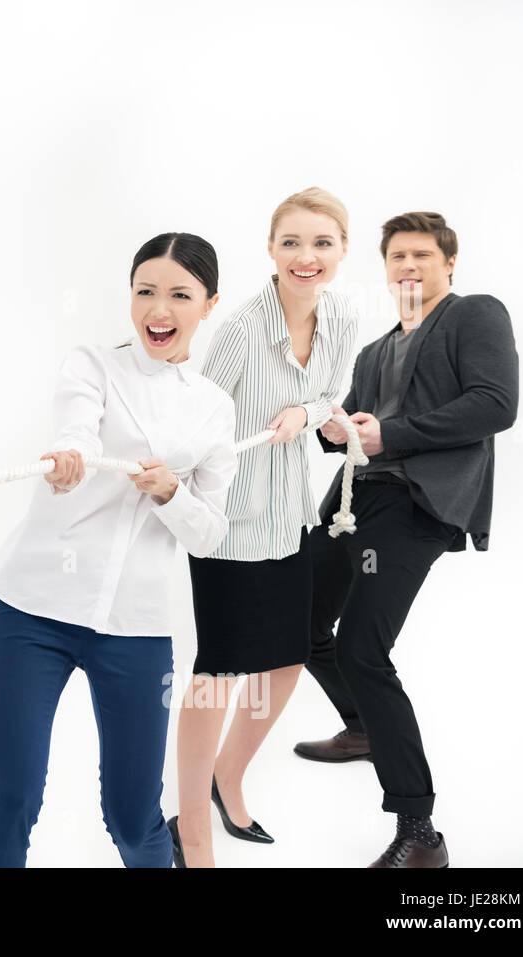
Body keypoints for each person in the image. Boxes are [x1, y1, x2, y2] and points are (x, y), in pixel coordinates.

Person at [0, 233, 238, 867]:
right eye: (145, 292)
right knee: (10, 794)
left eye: (179, 294)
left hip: (136, 631)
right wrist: (72, 459)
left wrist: (172, 492)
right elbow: (76, 429)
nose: (158, 310)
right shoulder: (92, 364)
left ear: (210, 303)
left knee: (132, 813)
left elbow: (210, 533)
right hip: (34, 612)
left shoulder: (214, 410)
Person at [295, 211, 519, 867]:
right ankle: (365, 725)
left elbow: (494, 403)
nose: (408, 266)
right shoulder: (375, 351)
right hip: (355, 499)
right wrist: (334, 429)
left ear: (449, 263)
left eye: (422, 254)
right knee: (298, 619)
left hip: (416, 499)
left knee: (364, 645)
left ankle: (420, 833)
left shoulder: (476, 314)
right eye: (397, 256)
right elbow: (357, 424)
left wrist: (388, 435)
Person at [171, 188, 359, 867]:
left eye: (321, 244)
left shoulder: (342, 315)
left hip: (289, 519)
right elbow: (197, 414)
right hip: (227, 522)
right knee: (220, 672)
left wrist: (306, 417)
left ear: (342, 250)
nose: (306, 257)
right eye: (291, 243)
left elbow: (330, 395)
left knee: (287, 657)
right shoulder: (244, 330)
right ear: (271, 249)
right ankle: (190, 825)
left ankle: (228, 778)